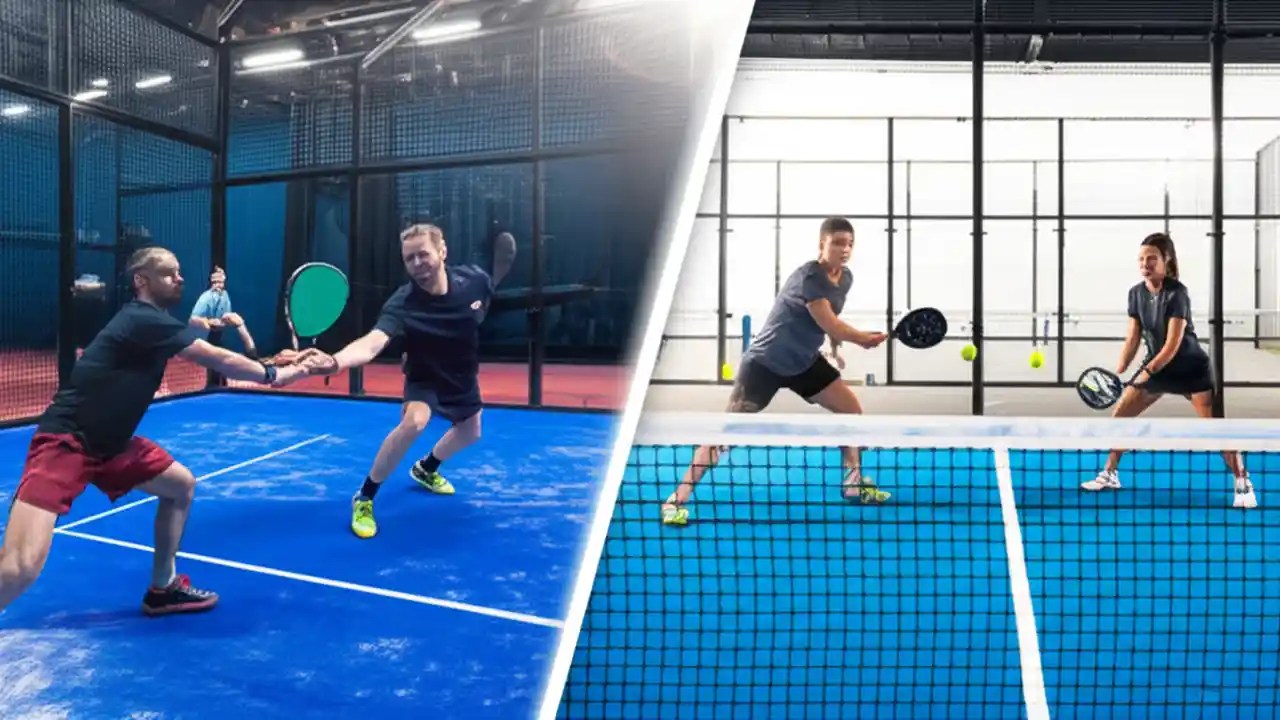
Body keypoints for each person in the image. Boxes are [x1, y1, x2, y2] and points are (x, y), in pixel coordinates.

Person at [0, 247, 310, 617]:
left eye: (179, 272)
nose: (179, 279)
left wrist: (272, 361)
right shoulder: (141, 318)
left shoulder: (156, 323)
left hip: (110, 446)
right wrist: (274, 375)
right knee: (21, 567)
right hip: (67, 442)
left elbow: (217, 350)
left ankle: (162, 588)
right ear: (141, 281)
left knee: (180, 486)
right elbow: (218, 358)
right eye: (168, 274)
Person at [660, 217, 890, 526]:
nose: (844, 249)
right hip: (765, 363)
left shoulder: (845, 279)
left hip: (804, 361)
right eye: (837, 242)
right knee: (724, 432)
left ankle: (853, 482)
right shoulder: (810, 276)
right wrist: (862, 339)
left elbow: (832, 319)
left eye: (849, 244)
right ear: (821, 243)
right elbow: (827, 321)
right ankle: (676, 499)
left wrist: (836, 348)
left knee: (851, 410)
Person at [297, 225, 517, 539]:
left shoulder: (475, 282)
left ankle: (426, 468)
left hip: (462, 374)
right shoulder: (403, 302)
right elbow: (372, 343)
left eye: (423, 254)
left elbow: (482, 302)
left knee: (471, 432)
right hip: (424, 374)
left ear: (442, 252)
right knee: (415, 422)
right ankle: (365, 497)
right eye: (409, 258)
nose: (417, 263)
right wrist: (334, 361)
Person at [1081, 232, 1256, 509]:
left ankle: (1243, 482)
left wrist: (1144, 374)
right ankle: (1111, 473)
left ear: (1166, 261)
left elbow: (1172, 345)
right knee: (1120, 417)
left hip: (1190, 370)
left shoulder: (1178, 293)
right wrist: (1119, 370)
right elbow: (1133, 338)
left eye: (1152, 258)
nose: (1145, 264)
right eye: (1141, 259)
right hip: (1157, 368)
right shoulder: (1135, 293)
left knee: (1217, 431)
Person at [189, 266, 257, 359]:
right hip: (207, 335)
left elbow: (227, 312)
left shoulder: (225, 295)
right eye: (215, 282)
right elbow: (193, 319)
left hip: (221, 334)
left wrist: (228, 319)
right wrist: (208, 322)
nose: (218, 285)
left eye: (221, 282)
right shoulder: (205, 298)